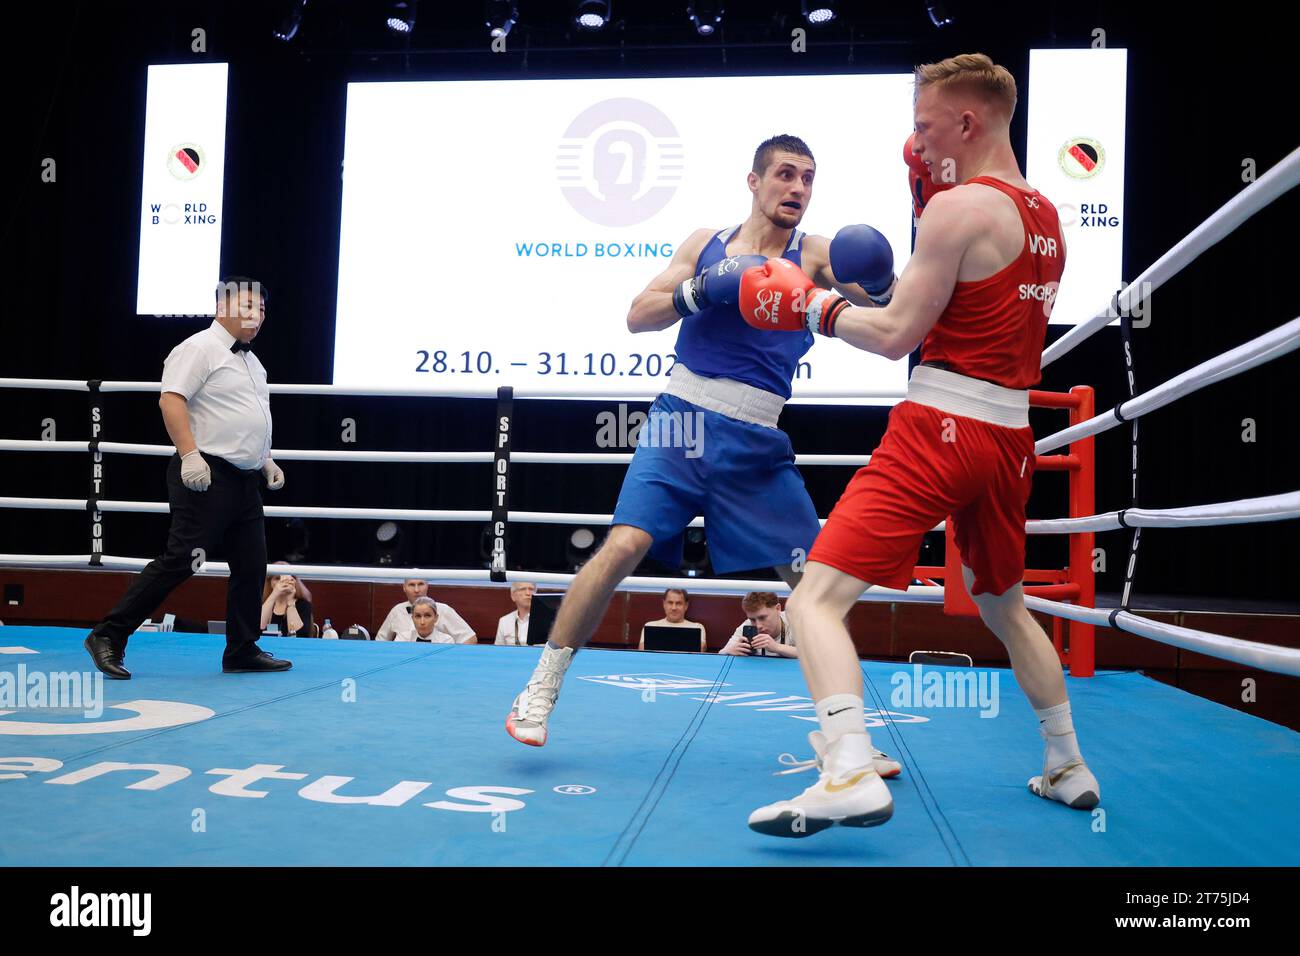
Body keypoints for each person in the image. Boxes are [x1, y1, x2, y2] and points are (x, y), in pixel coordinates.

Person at [738, 53, 1097, 838]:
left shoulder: (958, 209)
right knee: (1005, 605)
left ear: (966, 123)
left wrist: (812, 307)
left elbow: (900, 333)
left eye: (925, 125)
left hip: (941, 425)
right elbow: (962, 310)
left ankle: (848, 770)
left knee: (814, 600)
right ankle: (1068, 763)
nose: (917, 140)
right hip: (1009, 438)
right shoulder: (1042, 214)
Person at [505, 133, 900, 748]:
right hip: (682, 422)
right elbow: (638, 315)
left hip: (757, 440)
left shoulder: (818, 255)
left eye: (808, 178)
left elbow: (885, 320)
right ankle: (540, 688)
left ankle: (847, 738)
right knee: (624, 545)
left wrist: (879, 281)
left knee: (812, 584)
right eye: (786, 174)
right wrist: (701, 289)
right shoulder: (706, 243)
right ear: (754, 180)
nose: (798, 188)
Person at [83, 277, 292, 678]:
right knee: (182, 561)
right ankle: (108, 634)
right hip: (206, 474)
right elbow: (171, 399)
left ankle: (242, 648)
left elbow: (247, 418)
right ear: (223, 307)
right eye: (248, 306)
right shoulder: (197, 348)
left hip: (245, 480)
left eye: (262, 309)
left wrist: (265, 459)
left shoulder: (253, 362)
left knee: (252, 564)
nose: (257, 315)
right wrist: (189, 455)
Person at [375, 579, 476, 643]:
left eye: (420, 584)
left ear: (427, 585)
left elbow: (469, 638)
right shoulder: (397, 611)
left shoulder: (444, 610)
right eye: (411, 585)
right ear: (404, 588)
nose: (416, 590)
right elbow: (380, 641)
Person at [718, 591, 796, 658]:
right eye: (752, 619)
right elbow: (721, 653)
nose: (758, 626)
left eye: (762, 618)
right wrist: (729, 651)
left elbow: (808, 653)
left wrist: (777, 647)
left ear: (778, 609)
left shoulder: (797, 621)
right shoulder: (747, 625)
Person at [637, 588, 706, 651]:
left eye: (678, 603)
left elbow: (700, 650)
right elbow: (642, 651)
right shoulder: (650, 626)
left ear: (686, 606)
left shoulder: (697, 627)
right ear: (664, 604)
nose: (674, 608)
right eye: (670, 603)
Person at [261, 563, 314, 637]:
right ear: (270, 583)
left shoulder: (303, 604)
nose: (282, 583)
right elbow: (256, 629)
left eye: (286, 579)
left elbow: (300, 635)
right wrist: (274, 594)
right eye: (277, 578)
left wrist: (290, 600)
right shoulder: (264, 603)